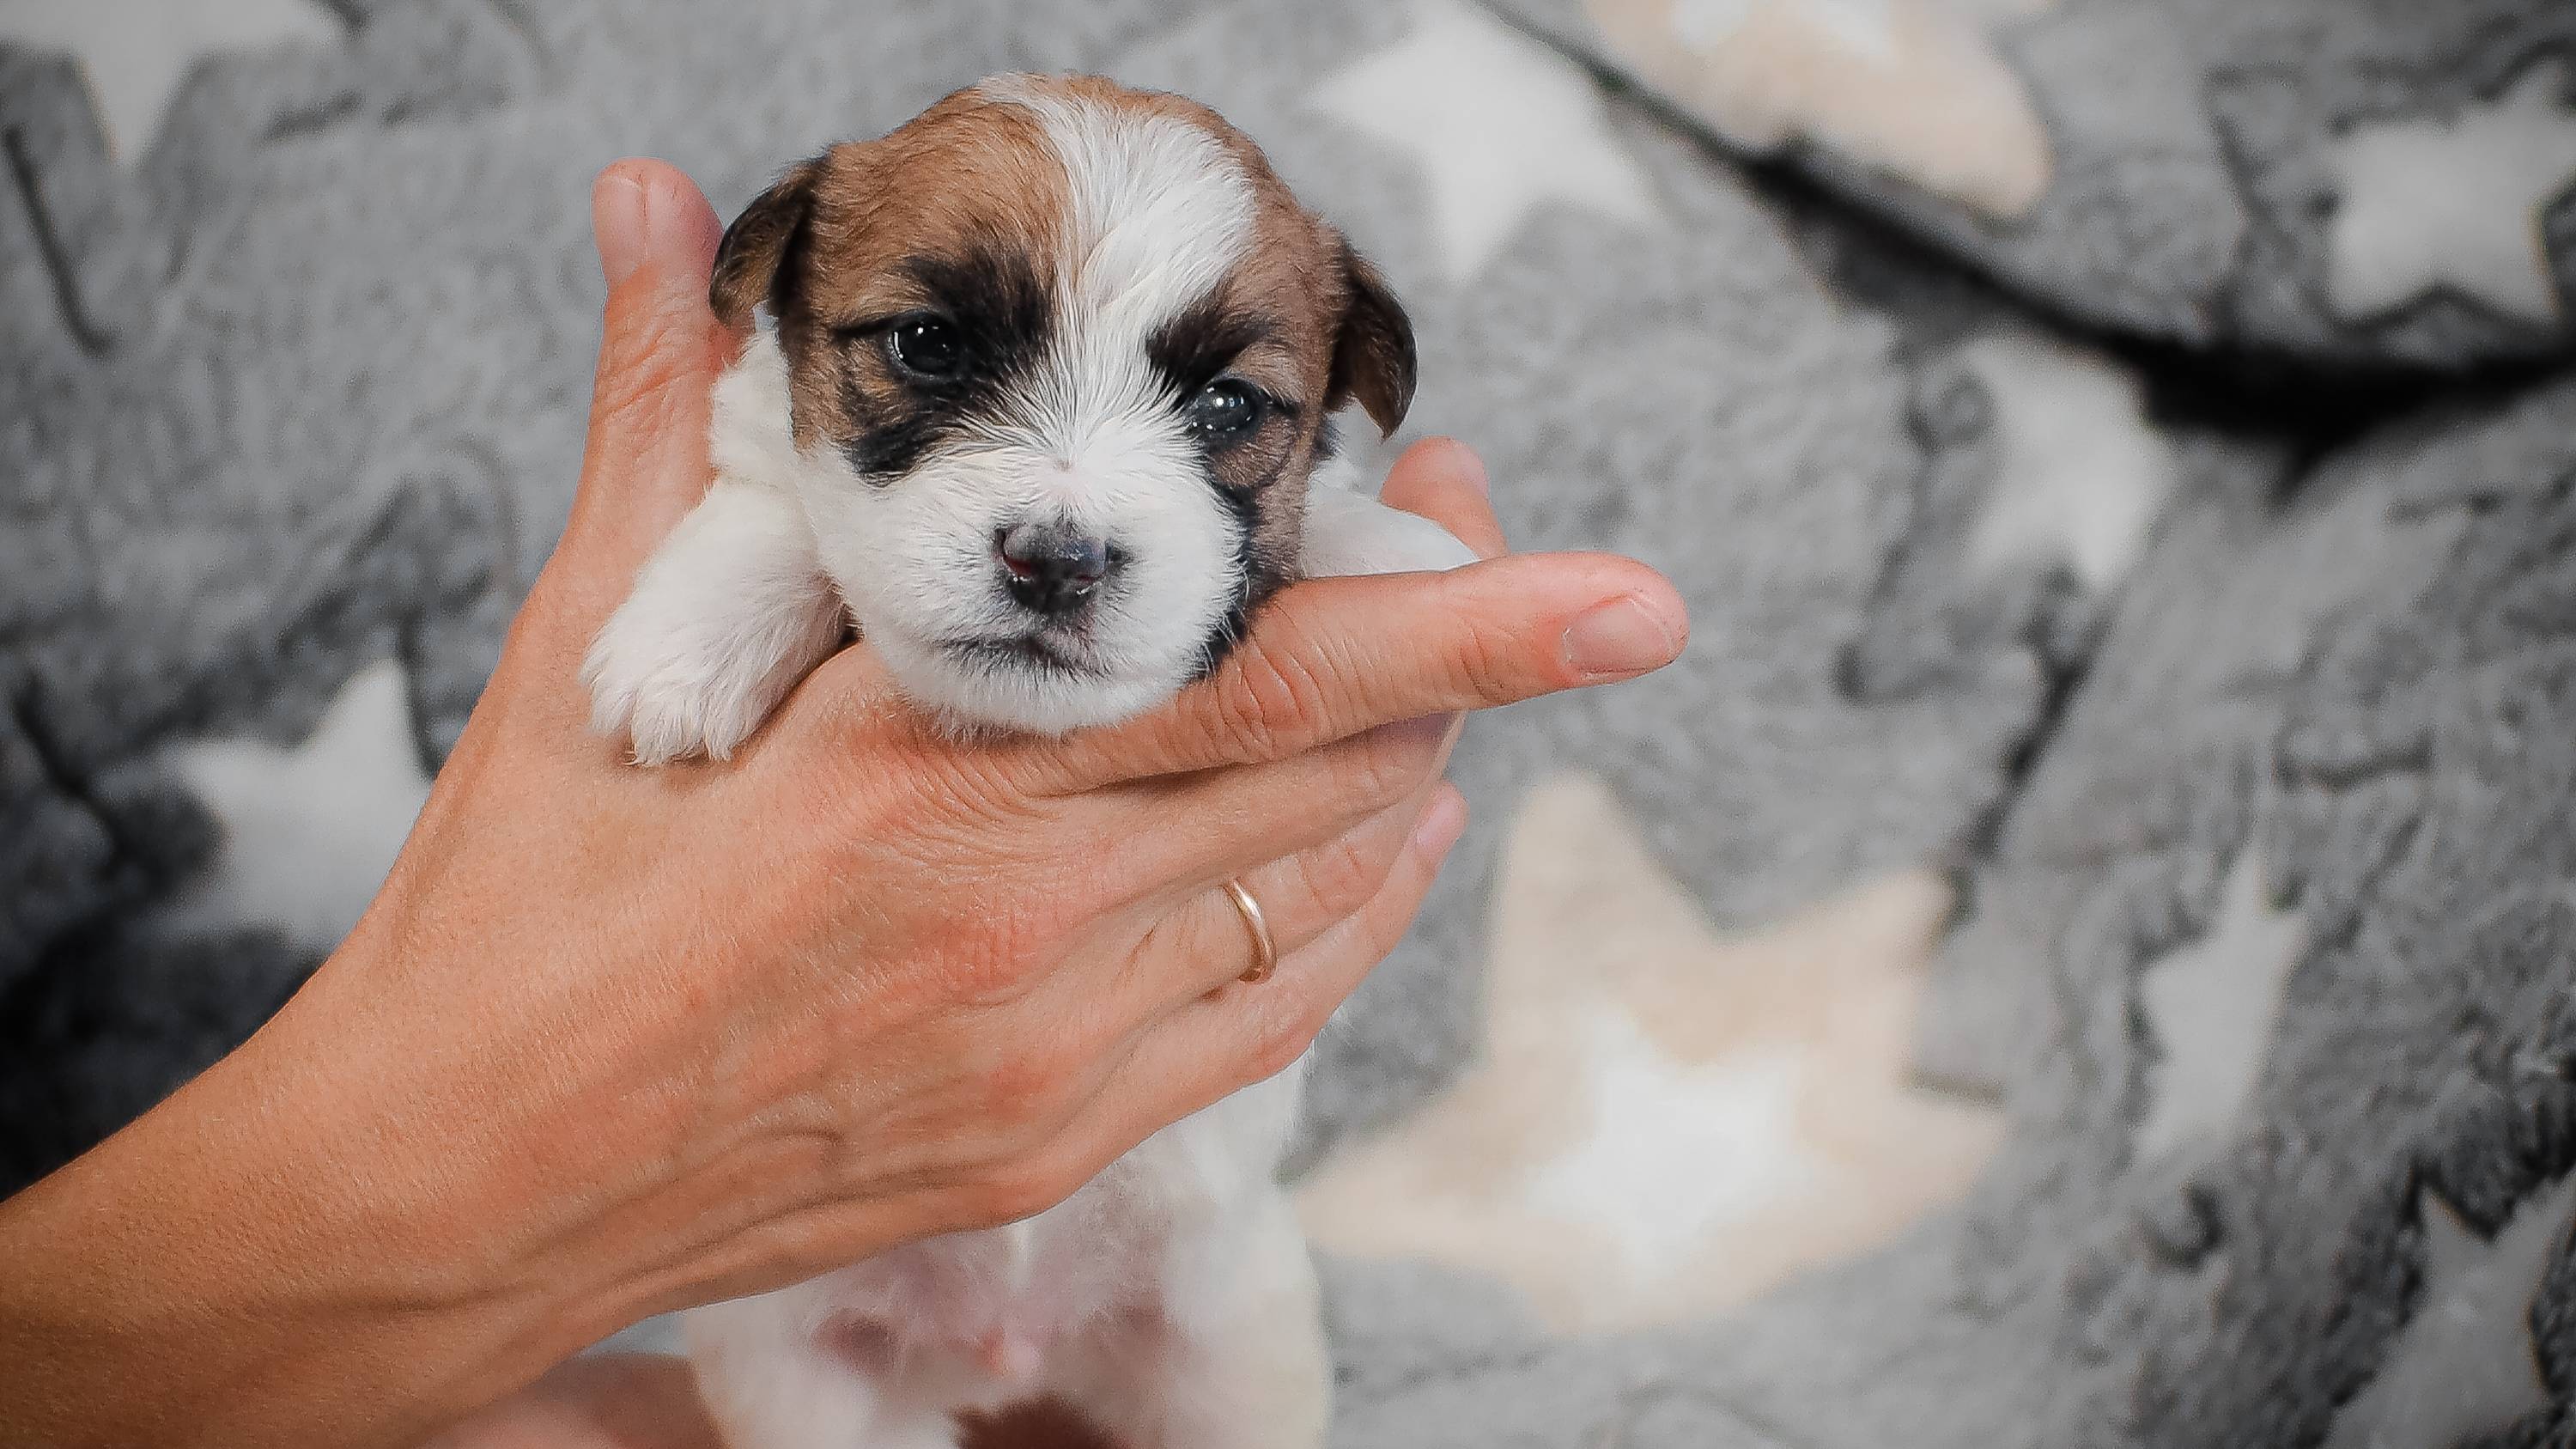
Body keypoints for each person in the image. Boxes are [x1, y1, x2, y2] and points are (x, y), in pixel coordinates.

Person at [0, 161, 1687, 1449]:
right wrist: (764, 562)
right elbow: (752, 493)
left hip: (1179, 1261)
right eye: (931, 350)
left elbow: (1390, 564)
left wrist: (1398, 581)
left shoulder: (1313, 512)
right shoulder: (767, 465)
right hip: (812, 1313)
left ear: (1322, 422)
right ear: (774, 304)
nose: (1067, 527)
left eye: (1229, 410)